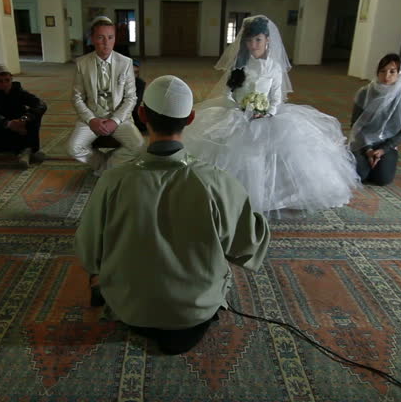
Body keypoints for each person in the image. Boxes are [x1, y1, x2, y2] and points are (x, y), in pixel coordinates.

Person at [75, 75, 271, 355]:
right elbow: (248, 246)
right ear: (190, 118)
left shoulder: (112, 180)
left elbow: (88, 252)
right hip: (195, 312)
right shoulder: (216, 181)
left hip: (131, 308)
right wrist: (244, 207)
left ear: (141, 115)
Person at [182, 15, 360, 213]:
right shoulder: (239, 65)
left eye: (257, 39)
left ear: (267, 39)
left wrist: (267, 111)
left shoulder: (275, 67)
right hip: (236, 113)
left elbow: (276, 98)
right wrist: (240, 107)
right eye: (249, 40)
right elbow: (227, 93)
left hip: (265, 116)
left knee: (277, 150)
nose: (253, 45)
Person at [68, 17, 144, 174]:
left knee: (139, 146)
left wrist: (115, 120)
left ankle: (104, 169)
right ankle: (105, 166)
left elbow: (131, 98)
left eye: (110, 37)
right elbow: (77, 97)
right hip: (92, 116)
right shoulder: (82, 63)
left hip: (119, 117)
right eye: (101, 37)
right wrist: (91, 119)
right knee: (73, 148)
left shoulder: (125, 62)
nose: (106, 43)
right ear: (93, 38)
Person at [349, 53, 401, 186]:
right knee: (359, 176)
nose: (387, 76)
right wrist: (368, 149)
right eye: (382, 71)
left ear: (400, 72)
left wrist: (383, 149)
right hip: (363, 143)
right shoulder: (365, 93)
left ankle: (380, 161)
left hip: (387, 144)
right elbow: (356, 125)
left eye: (392, 72)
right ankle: (364, 160)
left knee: (383, 179)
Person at [0, 63, 47, 168]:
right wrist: (8, 123)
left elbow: (40, 104)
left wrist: (24, 119)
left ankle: (27, 151)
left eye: (7, 80)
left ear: (11, 79)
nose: (4, 84)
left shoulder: (17, 90)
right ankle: (28, 151)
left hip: (20, 130)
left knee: (34, 114)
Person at [130, 59, 147, 133]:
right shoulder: (119, 80)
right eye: (131, 72)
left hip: (132, 108)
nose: (134, 75)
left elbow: (137, 100)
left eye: (136, 72)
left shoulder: (140, 83)